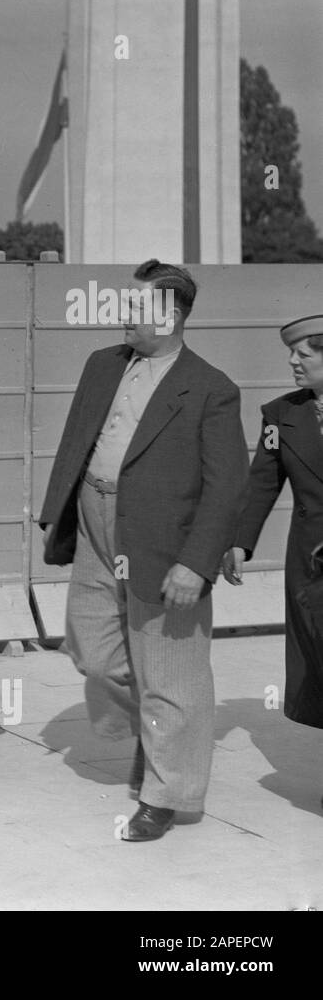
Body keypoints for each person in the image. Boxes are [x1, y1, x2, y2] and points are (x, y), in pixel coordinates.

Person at [39, 259, 247, 842]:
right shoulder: (102, 365)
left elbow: (227, 482)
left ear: (171, 315)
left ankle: (166, 795)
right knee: (94, 653)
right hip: (96, 526)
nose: (121, 315)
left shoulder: (211, 388)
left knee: (171, 674)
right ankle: (157, 737)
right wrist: (59, 512)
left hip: (164, 541)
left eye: (134, 307)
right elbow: (78, 438)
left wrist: (197, 561)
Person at [222, 315, 323, 747]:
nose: (293, 362)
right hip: (312, 566)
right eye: (291, 353)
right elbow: (262, 482)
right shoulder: (281, 415)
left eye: (304, 354)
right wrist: (240, 541)